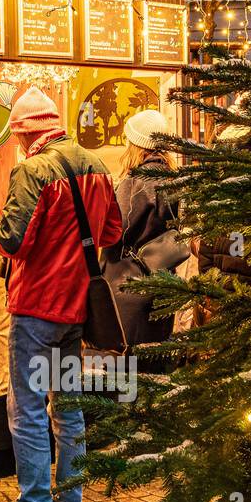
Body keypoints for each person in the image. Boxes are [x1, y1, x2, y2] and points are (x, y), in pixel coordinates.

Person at [0, 86, 121, 502]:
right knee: (69, 408)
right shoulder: (97, 165)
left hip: (38, 306)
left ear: (25, 133)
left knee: (27, 411)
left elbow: (13, 240)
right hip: (77, 307)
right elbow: (113, 229)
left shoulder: (31, 170)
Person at [100, 109, 188, 347]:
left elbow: (114, 232)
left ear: (136, 145)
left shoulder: (135, 183)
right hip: (164, 281)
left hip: (130, 285)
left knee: (128, 367)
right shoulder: (174, 178)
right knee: (156, 362)